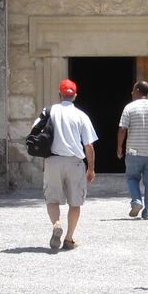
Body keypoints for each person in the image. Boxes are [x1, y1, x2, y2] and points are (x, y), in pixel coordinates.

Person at [44, 78, 97, 252]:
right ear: (75, 96)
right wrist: (90, 168)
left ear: (60, 94)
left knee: (52, 199)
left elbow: (33, 131)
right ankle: (68, 239)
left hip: (53, 160)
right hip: (75, 162)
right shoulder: (81, 115)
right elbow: (88, 145)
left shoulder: (49, 111)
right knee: (75, 203)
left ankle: (56, 224)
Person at [116, 80, 148, 220]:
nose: (132, 92)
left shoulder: (129, 108)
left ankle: (137, 201)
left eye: (133, 90)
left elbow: (122, 129)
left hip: (133, 151)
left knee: (132, 178)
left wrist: (119, 147)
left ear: (138, 90)